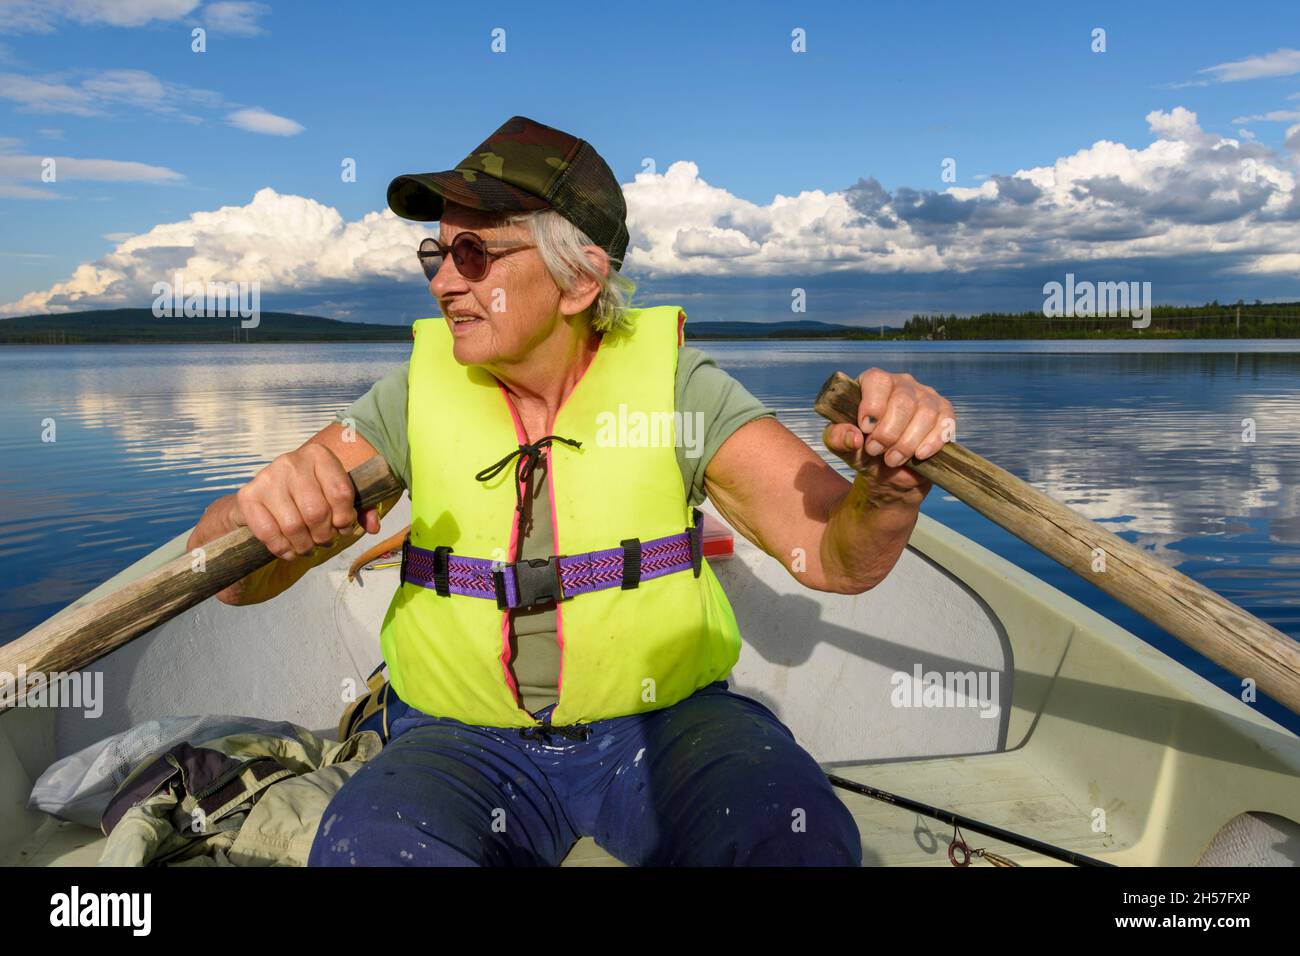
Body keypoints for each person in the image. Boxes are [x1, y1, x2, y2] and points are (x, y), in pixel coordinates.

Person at [186, 116, 957, 866]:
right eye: (436, 254)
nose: (444, 282)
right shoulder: (410, 400)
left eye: (473, 253)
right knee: (369, 850)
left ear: (579, 279)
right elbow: (224, 576)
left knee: (792, 836)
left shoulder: (678, 390)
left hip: (665, 726)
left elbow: (834, 557)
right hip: (456, 739)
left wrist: (885, 491)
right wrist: (256, 514)